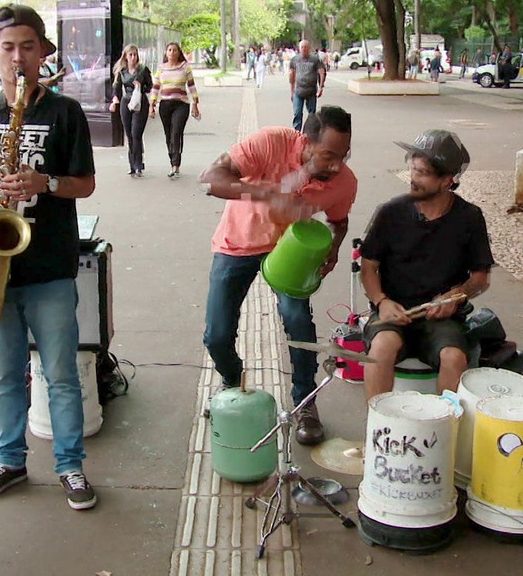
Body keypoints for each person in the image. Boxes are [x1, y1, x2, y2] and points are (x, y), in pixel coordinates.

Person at [0, 3, 99, 511]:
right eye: (8, 47)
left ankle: (70, 465)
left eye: (27, 47)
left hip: (51, 267)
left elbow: (87, 184)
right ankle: (10, 460)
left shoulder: (64, 112)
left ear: (42, 53)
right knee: (5, 374)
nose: (17, 57)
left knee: (61, 374)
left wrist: (46, 182)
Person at [199, 106, 358, 445]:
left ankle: (305, 401)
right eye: (328, 156)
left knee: (298, 322)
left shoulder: (345, 181)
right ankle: (231, 382)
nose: (336, 166)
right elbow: (211, 178)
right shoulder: (271, 142)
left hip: (290, 252)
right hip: (237, 242)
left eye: (343, 156)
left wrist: (334, 246)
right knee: (217, 334)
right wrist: (263, 193)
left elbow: (339, 220)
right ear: (307, 141)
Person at [359, 130, 494, 402]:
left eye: (422, 173)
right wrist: (381, 301)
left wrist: (456, 295)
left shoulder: (469, 218)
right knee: (382, 349)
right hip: (393, 310)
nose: (413, 178)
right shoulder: (391, 212)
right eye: (413, 169)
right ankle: (377, 428)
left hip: (442, 319)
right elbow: (368, 267)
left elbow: (481, 277)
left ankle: (446, 429)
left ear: (447, 180)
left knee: (454, 357)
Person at [149, 42, 200, 179]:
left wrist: (195, 103)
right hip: (165, 105)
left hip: (181, 104)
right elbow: (155, 87)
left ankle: (175, 165)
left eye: (175, 50)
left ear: (179, 52)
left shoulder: (185, 68)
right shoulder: (161, 68)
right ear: (166, 52)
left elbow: (191, 86)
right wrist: (152, 104)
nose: (172, 52)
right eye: (169, 50)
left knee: (176, 132)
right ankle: (172, 157)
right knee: (168, 134)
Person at [109, 44, 153, 177]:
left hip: (140, 102)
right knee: (129, 135)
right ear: (126, 57)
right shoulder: (121, 71)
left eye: (135, 55)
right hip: (126, 102)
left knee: (136, 134)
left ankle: (139, 165)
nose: (133, 57)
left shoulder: (143, 70)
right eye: (130, 55)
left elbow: (150, 86)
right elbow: (116, 88)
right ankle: (132, 165)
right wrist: (115, 99)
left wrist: (141, 87)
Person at [288, 39, 326, 132]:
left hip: (311, 91)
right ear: (299, 48)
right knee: (297, 113)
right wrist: (292, 91)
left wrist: (321, 87)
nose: (304, 49)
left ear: (309, 48)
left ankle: (310, 133)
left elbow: (322, 72)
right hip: (298, 91)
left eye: (306, 47)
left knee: (311, 114)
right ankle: (296, 133)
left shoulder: (315, 59)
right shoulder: (295, 59)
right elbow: (291, 75)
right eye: (302, 47)